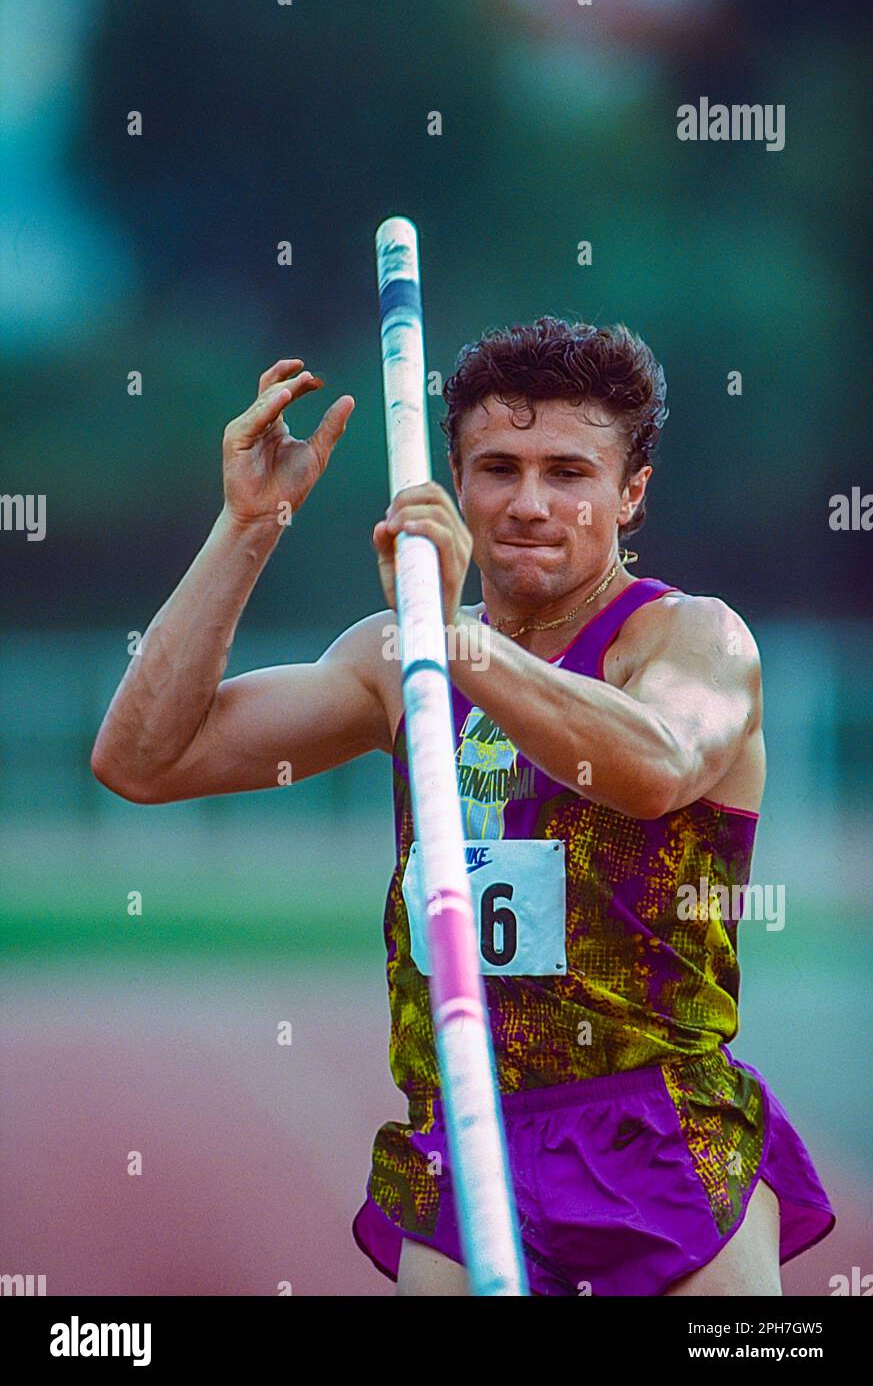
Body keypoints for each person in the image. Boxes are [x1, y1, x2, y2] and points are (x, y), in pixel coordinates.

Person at [92, 317, 835, 1296]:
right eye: (498, 468)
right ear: (452, 483)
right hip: (465, 1135)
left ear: (630, 492)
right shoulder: (394, 660)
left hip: (662, 1137)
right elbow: (144, 760)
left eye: (567, 472)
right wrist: (249, 524)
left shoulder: (692, 639)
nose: (528, 503)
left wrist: (454, 641)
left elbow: (655, 765)